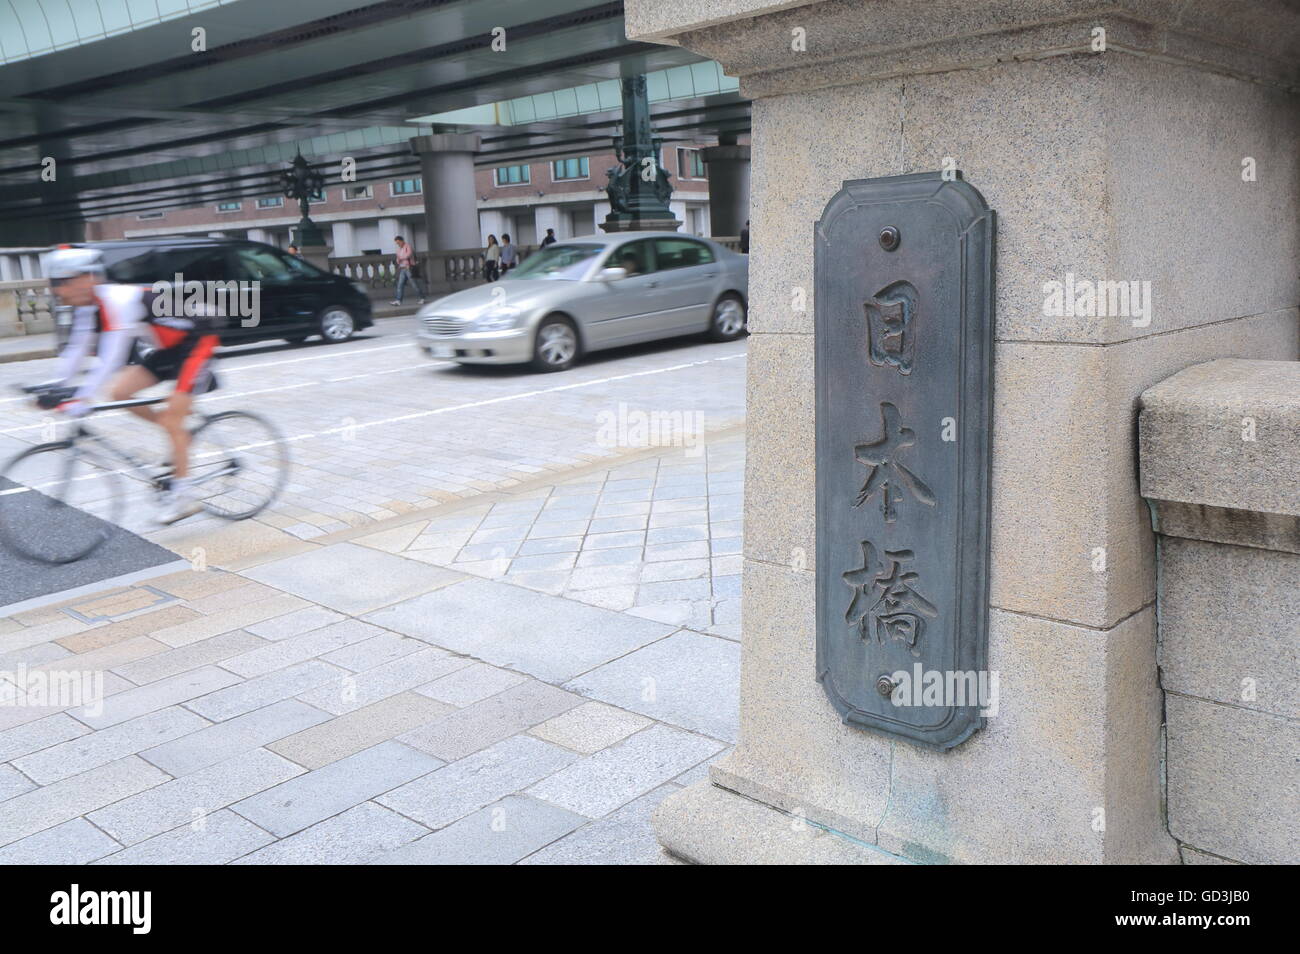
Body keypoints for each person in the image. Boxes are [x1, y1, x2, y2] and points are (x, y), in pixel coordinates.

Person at [40, 246, 221, 525]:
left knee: (174, 421)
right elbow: (76, 349)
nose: (59, 291)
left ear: (87, 278)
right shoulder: (88, 307)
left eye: (64, 283)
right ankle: (178, 436)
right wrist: (52, 385)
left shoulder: (118, 300)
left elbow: (111, 357)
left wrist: (82, 397)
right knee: (119, 392)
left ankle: (184, 497)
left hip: (198, 340)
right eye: (56, 285)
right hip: (168, 348)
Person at [389, 236, 425, 306]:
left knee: (414, 284)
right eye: (397, 243)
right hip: (402, 268)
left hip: (409, 268)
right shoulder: (399, 249)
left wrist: (401, 258)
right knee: (400, 285)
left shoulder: (407, 247)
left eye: (398, 243)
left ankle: (422, 298)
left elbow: (408, 255)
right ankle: (398, 300)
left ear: (402, 241)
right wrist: (399, 260)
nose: (398, 244)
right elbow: (398, 259)